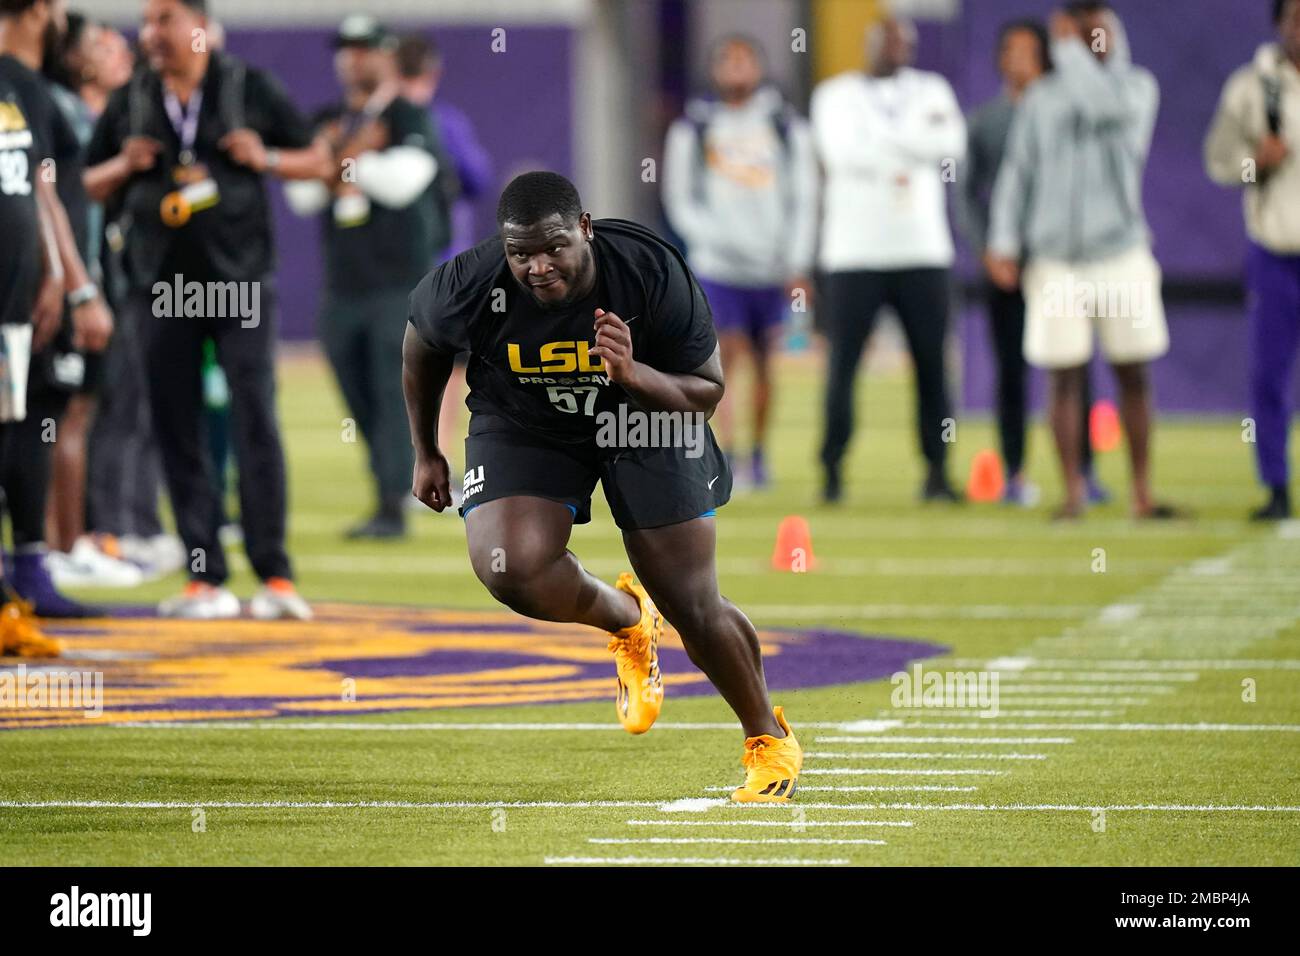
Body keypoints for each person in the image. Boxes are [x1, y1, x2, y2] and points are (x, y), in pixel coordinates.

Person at [403, 171, 803, 802]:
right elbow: (421, 347)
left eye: (554, 246)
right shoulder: (472, 282)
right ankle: (627, 620)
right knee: (509, 567)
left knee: (691, 601)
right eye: (521, 253)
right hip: (527, 419)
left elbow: (706, 392)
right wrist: (426, 450)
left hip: (645, 413)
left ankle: (768, 739)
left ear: (585, 228)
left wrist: (633, 372)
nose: (537, 266)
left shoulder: (649, 267)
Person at [83, 0, 327, 618]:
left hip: (240, 282)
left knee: (254, 417)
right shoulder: (135, 95)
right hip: (159, 286)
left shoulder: (246, 86)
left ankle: (275, 577)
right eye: (146, 22)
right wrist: (123, 165)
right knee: (176, 423)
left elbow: (322, 161)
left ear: (199, 26)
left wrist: (266, 158)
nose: (151, 34)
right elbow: (83, 181)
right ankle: (204, 577)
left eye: (164, 19)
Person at [986, 2, 1177, 521]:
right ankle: (1073, 492)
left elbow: (1103, 109)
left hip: (1120, 250)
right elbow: (1017, 174)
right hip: (1056, 259)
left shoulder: (1135, 89)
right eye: (1080, 33)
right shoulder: (1042, 99)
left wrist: (1070, 52)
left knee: (1132, 370)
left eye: (1097, 32)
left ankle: (1141, 492)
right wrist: (1004, 240)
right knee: (1063, 376)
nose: (1090, 41)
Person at [285, 15, 448, 539]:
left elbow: (403, 183)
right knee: (356, 391)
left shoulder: (408, 116)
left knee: (389, 390)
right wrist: (351, 157)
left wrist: (337, 162)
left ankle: (391, 505)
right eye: (347, 49)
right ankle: (390, 489)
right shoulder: (330, 118)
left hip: (398, 280)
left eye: (365, 49)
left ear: (387, 55)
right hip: (345, 283)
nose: (354, 59)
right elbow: (301, 192)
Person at [811, 17, 966, 504]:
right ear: (870, 42)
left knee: (932, 367)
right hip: (853, 252)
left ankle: (938, 471)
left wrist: (879, 145)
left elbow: (951, 149)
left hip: (923, 250)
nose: (900, 48)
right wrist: (911, 148)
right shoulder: (835, 94)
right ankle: (833, 470)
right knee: (842, 366)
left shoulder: (932, 88)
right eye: (890, 39)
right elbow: (839, 154)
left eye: (907, 41)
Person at [959, 19, 1110, 508]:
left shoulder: (1069, 115)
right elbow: (965, 193)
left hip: (1062, 262)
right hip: (1008, 268)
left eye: (1029, 51)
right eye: (1011, 50)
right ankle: (1015, 472)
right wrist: (989, 250)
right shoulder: (986, 120)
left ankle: (1083, 473)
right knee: (1011, 371)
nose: (1019, 60)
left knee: (1073, 367)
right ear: (1001, 59)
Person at [0, 0, 115, 617]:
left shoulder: (26, 91)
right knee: (35, 422)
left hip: (23, 291)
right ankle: (29, 568)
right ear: (41, 10)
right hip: (28, 288)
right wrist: (74, 285)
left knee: (24, 419)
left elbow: (36, 188)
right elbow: (44, 191)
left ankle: (25, 574)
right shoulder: (18, 84)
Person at [662, 35, 816, 489]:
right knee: (721, 359)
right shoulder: (695, 125)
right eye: (726, 60)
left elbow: (803, 196)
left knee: (768, 360)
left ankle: (759, 452)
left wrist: (796, 259)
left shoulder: (785, 124)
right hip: (718, 265)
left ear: (759, 67)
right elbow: (678, 195)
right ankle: (727, 451)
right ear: (713, 70)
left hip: (770, 263)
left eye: (744, 60)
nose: (736, 68)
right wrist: (708, 239)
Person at [1205, 0, 1300, 520]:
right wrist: (1253, 165)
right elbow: (1219, 163)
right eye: (1296, 18)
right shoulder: (1252, 86)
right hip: (1277, 253)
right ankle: (1277, 487)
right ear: (1279, 24)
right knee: (1269, 377)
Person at [395, 31, 481, 484]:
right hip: (441, 263)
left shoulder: (379, 123)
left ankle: (421, 459)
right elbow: (476, 177)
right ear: (433, 73)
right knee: (444, 364)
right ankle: (436, 455)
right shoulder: (443, 121)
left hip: (400, 265)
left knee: (413, 362)